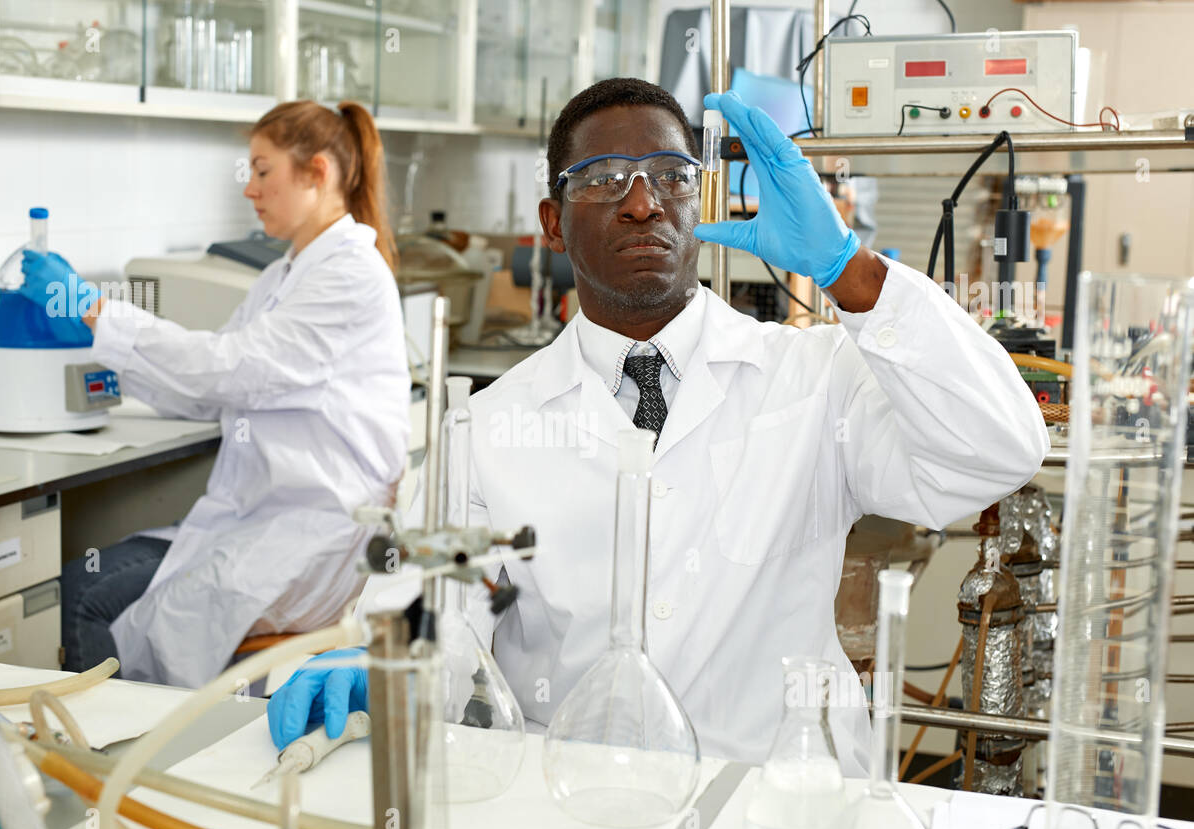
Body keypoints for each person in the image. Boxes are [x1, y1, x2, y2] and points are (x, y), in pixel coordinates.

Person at [268, 78, 1048, 773]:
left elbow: (998, 449)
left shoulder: (814, 380)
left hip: (778, 798)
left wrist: (849, 269)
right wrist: (387, 661)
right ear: (552, 220)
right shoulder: (489, 425)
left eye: (672, 177)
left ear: (698, 199)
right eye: (604, 179)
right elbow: (431, 613)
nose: (643, 201)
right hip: (580, 798)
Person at [21, 100, 411, 687]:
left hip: (313, 535)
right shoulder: (285, 273)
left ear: (319, 173)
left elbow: (233, 368)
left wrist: (98, 313)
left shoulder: (348, 272)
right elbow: (210, 394)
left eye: (262, 171)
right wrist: (96, 341)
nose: (249, 190)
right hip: (264, 523)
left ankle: (115, 767)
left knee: (83, 598)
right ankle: (121, 755)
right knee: (87, 584)